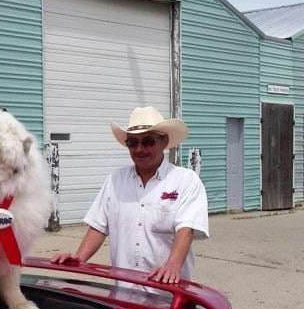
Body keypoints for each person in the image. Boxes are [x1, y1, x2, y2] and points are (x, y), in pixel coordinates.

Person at [52, 106, 209, 284]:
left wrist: (172, 266)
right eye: (132, 142)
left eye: (148, 141)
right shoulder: (115, 180)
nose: (139, 149)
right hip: (124, 292)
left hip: (168, 291)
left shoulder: (186, 181)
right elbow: (99, 226)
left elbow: (186, 229)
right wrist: (79, 257)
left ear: (164, 141)